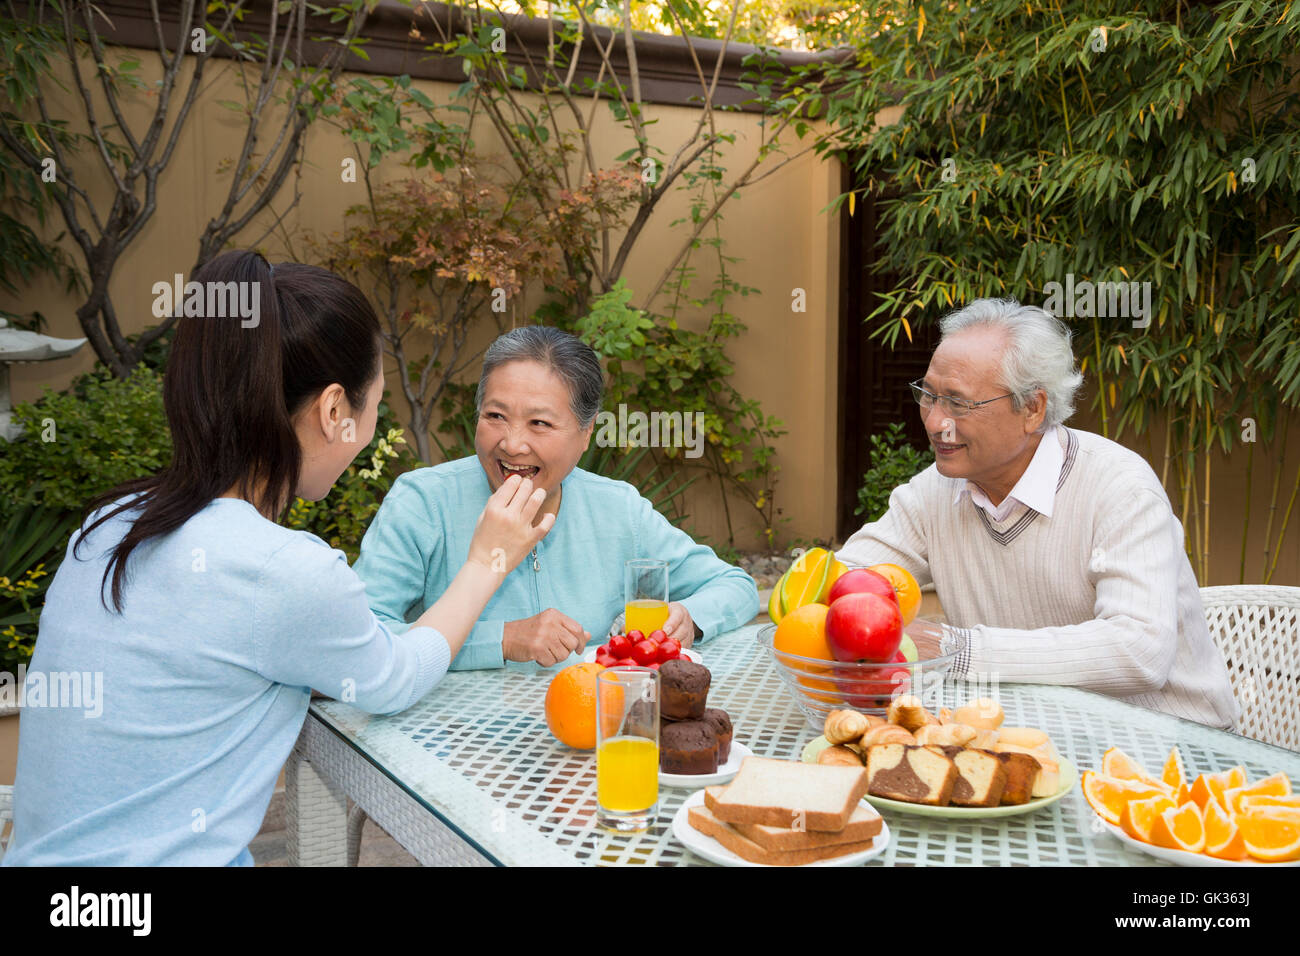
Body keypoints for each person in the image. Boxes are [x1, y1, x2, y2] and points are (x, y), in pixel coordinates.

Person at [1, 252, 551, 867]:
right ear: (334, 411)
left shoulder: (110, 526)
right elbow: (393, 679)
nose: (371, 425)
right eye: (374, 405)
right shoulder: (281, 571)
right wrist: (488, 559)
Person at [837, 297, 1239, 729]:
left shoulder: (1120, 487)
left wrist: (958, 649)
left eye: (958, 402)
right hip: (1035, 735)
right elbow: (846, 579)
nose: (936, 422)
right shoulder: (935, 490)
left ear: (1033, 408)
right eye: (929, 396)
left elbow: (1138, 650)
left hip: (1176, 746)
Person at [354, 326, 759, 669]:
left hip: (590, 736)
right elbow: (361, 640)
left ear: (586, 433)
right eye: (495, 416)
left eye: (540, 423)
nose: (512, 445)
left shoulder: (618, 509)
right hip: (447, 743)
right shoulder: (423, 502)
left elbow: (733, 585)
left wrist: (689, 618)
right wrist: (504, 640)